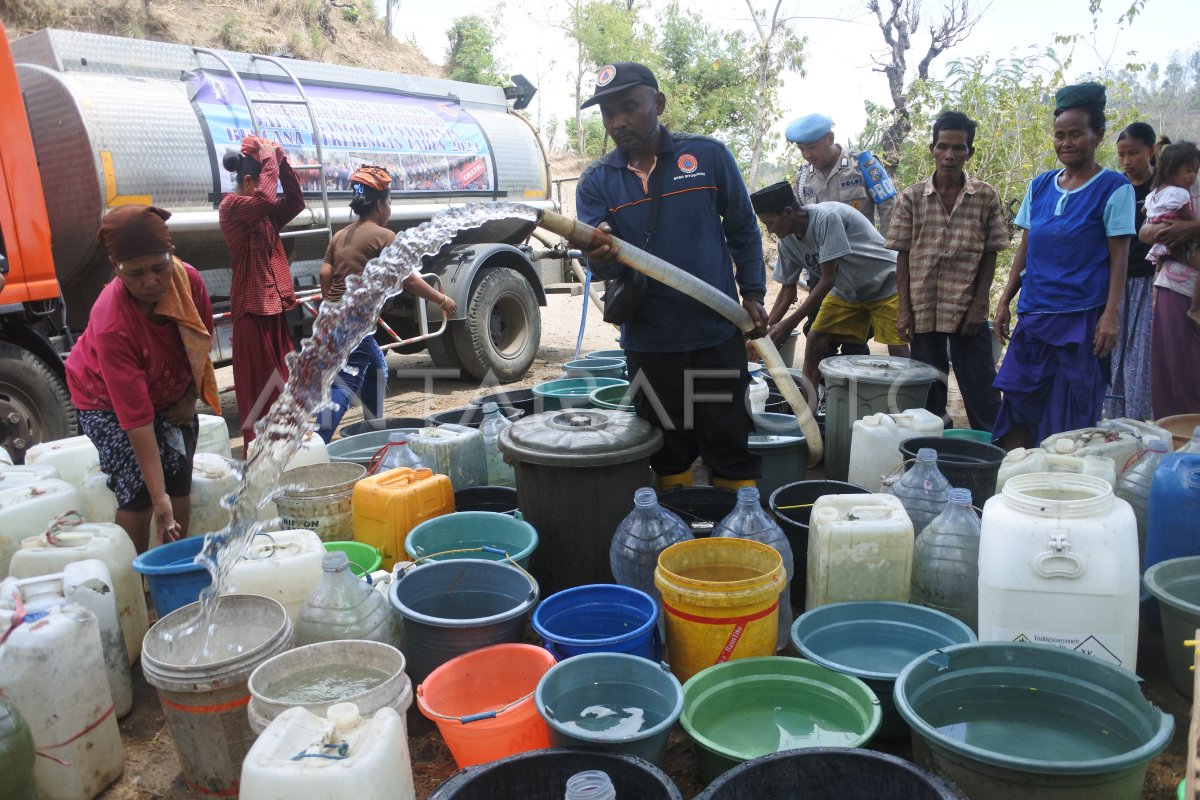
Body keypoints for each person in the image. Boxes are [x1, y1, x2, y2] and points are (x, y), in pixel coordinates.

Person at [575, 61, 768, 492]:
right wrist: (599, 252)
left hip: (714, 333)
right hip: (650, 341)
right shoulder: (596, 182)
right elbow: (603, 267)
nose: (619, 121)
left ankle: (742, 535)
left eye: (629, 107)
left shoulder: (706, 157)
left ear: (658, 103)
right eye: (608, 114)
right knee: (666, 449)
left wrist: (753, 292)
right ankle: (672, 535)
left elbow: (742, 229)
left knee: (729, 445)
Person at [65, 206, 220, 552]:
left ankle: (173, 567)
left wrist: (186, 398)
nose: (150, 281)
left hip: (169, 390)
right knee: (138, 491)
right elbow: (136, 419)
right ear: (117, 270)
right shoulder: (112, 321)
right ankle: (136, 585)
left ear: (172, 256)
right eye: (135, 274)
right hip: (104, 400)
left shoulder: (188, 282)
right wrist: (157, 494)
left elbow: (201, 343)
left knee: (179, 473)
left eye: (158, 268)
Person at [992, 83, 1134, 448]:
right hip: (1035, 316)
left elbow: (1120, 258)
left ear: (1097, 135)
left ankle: (1059, 490)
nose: (1066, 143)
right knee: (1020, 404)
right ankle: (1015, 487)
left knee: (1070, 414)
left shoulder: (1114, 188)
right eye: (1059, 135)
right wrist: (1006, 299)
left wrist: (1111, 316)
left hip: (1081, 320)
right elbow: (1027, 247)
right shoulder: (1040, 186)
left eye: (1076, 134)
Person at [885, 111, 1011, 431]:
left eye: (959, 148)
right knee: (929, 388)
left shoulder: (985, 196)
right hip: (923, 304)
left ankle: (992, 453)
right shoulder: (912, 197)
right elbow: (902, 254)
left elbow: (990, 252)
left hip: (965, 306)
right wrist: (903, 310)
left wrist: (979, 304)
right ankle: (935, 449)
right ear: (932, 148)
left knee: (981, 386)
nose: (950, 155)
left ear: (970, 152)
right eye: (943, 146)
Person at [315, 165, 459, 441]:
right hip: (353, 321)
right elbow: (410, 280)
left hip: (335, 317)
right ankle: (318, 438)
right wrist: (442, 298)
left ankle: (374, 426)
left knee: (377, 365)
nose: (390, 207)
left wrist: (332, 303)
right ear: (380, 205)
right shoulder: (384, 236)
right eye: (390, 202)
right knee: (346, 382)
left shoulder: (340, 235)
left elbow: (325, 273)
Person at [750, 185, 910, 401]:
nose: (769, 230)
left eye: (770, 222)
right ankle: (807, 408)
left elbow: (827, 280)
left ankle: (909, 404)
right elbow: (787, 292)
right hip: (847, 291)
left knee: (898, 347)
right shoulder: (787, 241)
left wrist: (788, 324)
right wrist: (764, 333)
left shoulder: (826, 218)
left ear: (787, 212)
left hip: (885, 284)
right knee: (816, 340)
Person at [782, 112, 897, 364]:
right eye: (802, 149)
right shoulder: (803, 177)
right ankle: (824, 395)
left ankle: (856, 393)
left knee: (857, 339)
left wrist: (890, 254)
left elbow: (889, 209)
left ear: (830, 138)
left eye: (811, 147)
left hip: (862, 267)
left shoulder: (864, 164)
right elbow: (798, 221)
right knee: (818, 332)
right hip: (823, 269)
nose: (807, 154)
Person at [219, 135, 306, 445]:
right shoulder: (231, 207)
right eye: (262, 179)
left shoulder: (264, 213)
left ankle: (289, 442)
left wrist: (281, 165)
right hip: (252, 310)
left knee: (285, 380)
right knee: (260, 387)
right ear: (247, 181)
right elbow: (267, 199)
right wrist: (268, 159)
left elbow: (296, 202)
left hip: (273, 306)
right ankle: (259, 450)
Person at [1104, 122, 1159, 421]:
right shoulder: (1116, 187)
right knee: (1115, 353)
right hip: (1117, 282)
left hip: (1151, 281)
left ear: (1150, 151)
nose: (1127, 162)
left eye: (1134, 153)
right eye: (1122, 155)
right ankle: (1114, 419)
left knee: (1143, 355)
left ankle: (1142, 419)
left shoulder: (1165, 188)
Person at [1143, 143, 1200, 417]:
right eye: (1190, 170)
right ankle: (1179, 434)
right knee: (1176, 367)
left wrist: (1192, 227)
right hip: (1176, 285)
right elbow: (1144, 232)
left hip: (1182, 279)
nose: (1193, 176)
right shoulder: (1176, 193)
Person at [1144, 141, 1199, 269]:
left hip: (1161, 246)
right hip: (1177, 243)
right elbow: (1189, 217)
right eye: (1189, 171)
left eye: (1196, 171)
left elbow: (1145, 213)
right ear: (1171, 171)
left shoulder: (1153, 194)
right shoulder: (1180, 193)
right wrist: (1191, 226)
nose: (1193, 176)